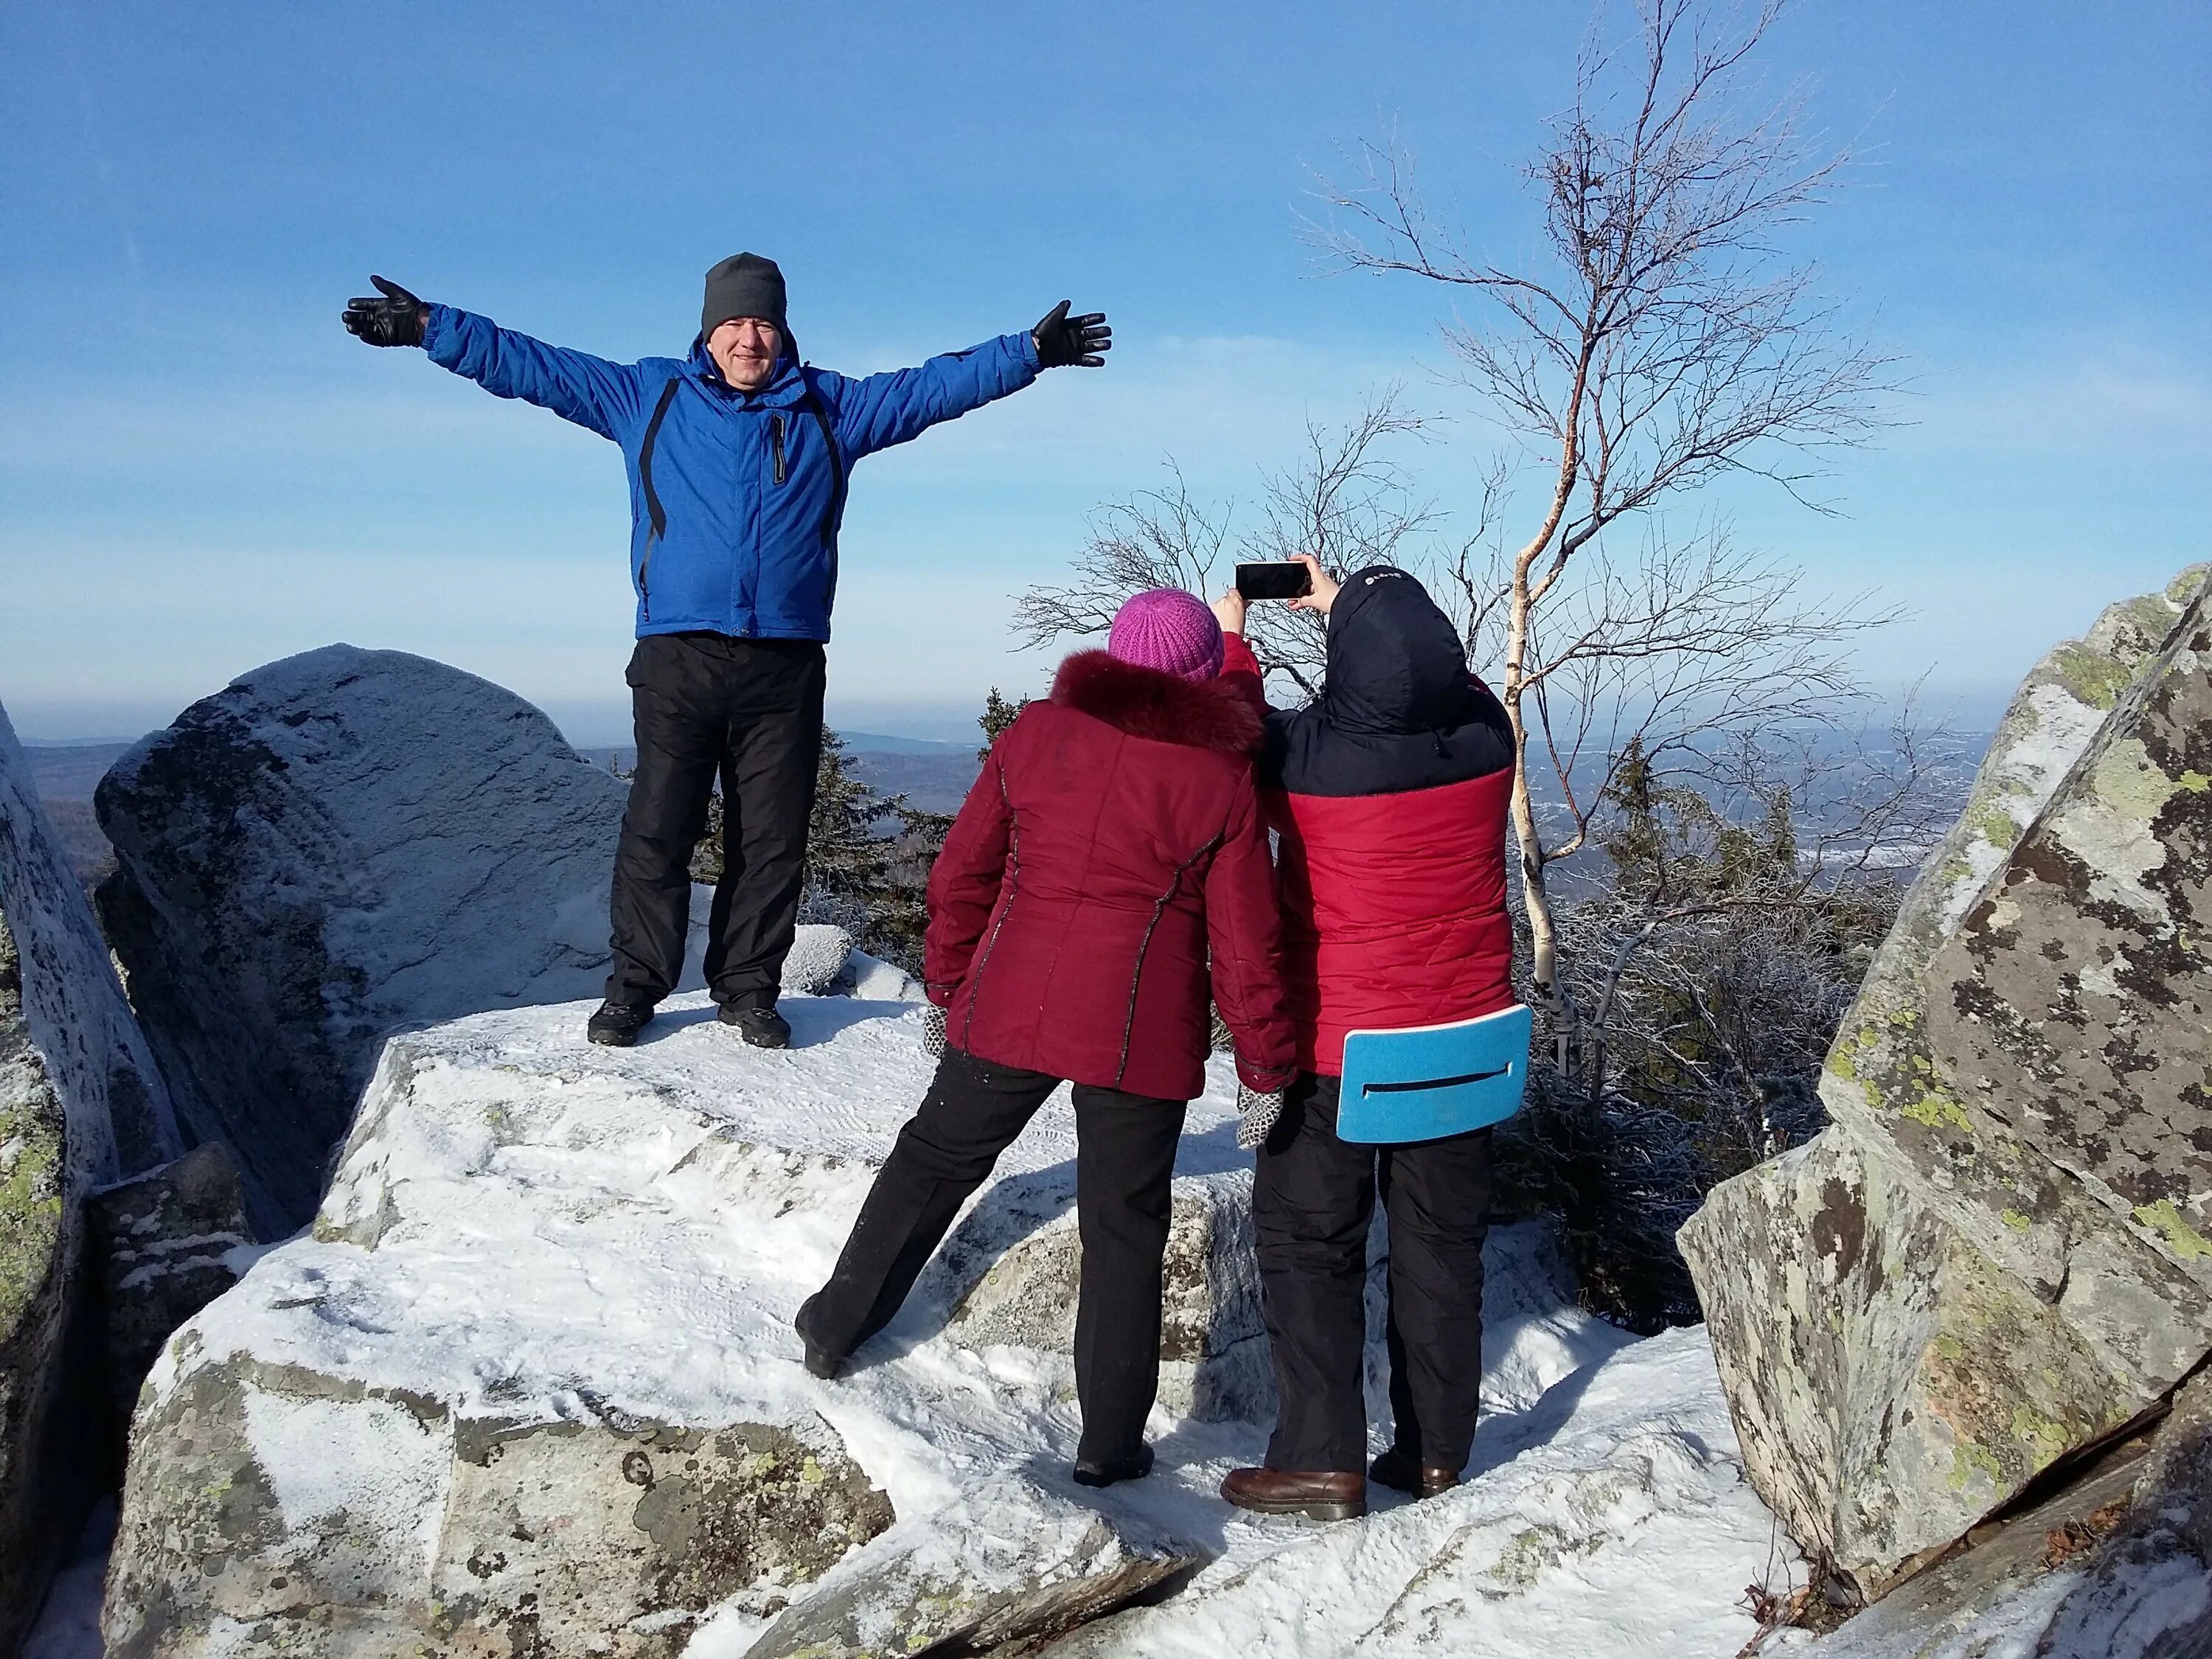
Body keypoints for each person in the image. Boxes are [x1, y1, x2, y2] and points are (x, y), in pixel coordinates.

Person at [342, 257, 1110, 1049]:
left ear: (784, 330)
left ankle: (747, 991)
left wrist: (1028, 352)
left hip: (784, 663)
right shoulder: (649, 395)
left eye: (765, 323)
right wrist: (434, 328)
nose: (751, 338)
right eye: (736, 323)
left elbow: (929, 389)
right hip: (679, 654)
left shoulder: (830, 408)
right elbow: (531, 366)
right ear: (709, 331)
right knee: (658, 831)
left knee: (771, 839)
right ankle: (635, 990)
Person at [796, 589, 1296, 1486]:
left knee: (934, 1158)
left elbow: (964, 870)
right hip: (1142, 1031)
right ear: (1198, 677)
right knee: (1124, 1227)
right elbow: (1248, 944)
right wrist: (1264, 1064)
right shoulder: (1220, 782)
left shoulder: (1037, 735)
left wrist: (950, 981)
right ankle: (1108, 1444)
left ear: (1111, 655)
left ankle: (836, 1327)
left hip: (1014, 1002)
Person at [1209, 557, 1516, 1522]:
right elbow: (1432, 677)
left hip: (1344, 1053)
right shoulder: (1484, 734)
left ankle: (1318, 1458)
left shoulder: (1308, 762)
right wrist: (1350, 601)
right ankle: (1433, 1452)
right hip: (1468, 1043)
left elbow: (1230, 731)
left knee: (1310, 1244)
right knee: (1441, 1249)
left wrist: (1233, 638)